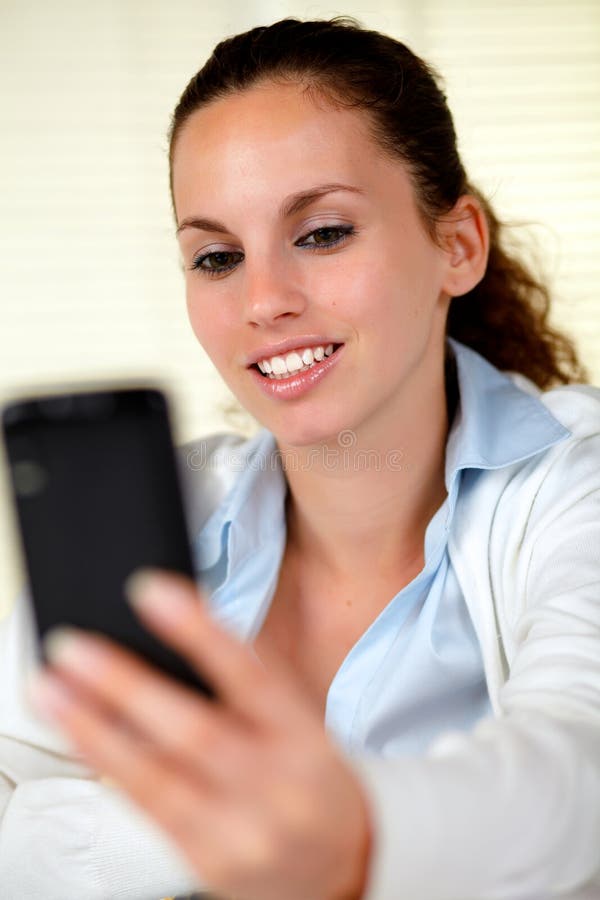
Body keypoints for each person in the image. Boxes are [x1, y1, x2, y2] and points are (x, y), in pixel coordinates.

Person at [2, 14, 599, 900]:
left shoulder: (575, 482)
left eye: (321, 233)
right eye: (216, 257)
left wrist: (338, 832)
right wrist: (258, 828)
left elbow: (574, 783)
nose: (264, 300)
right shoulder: (161, 510)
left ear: (457, 245)